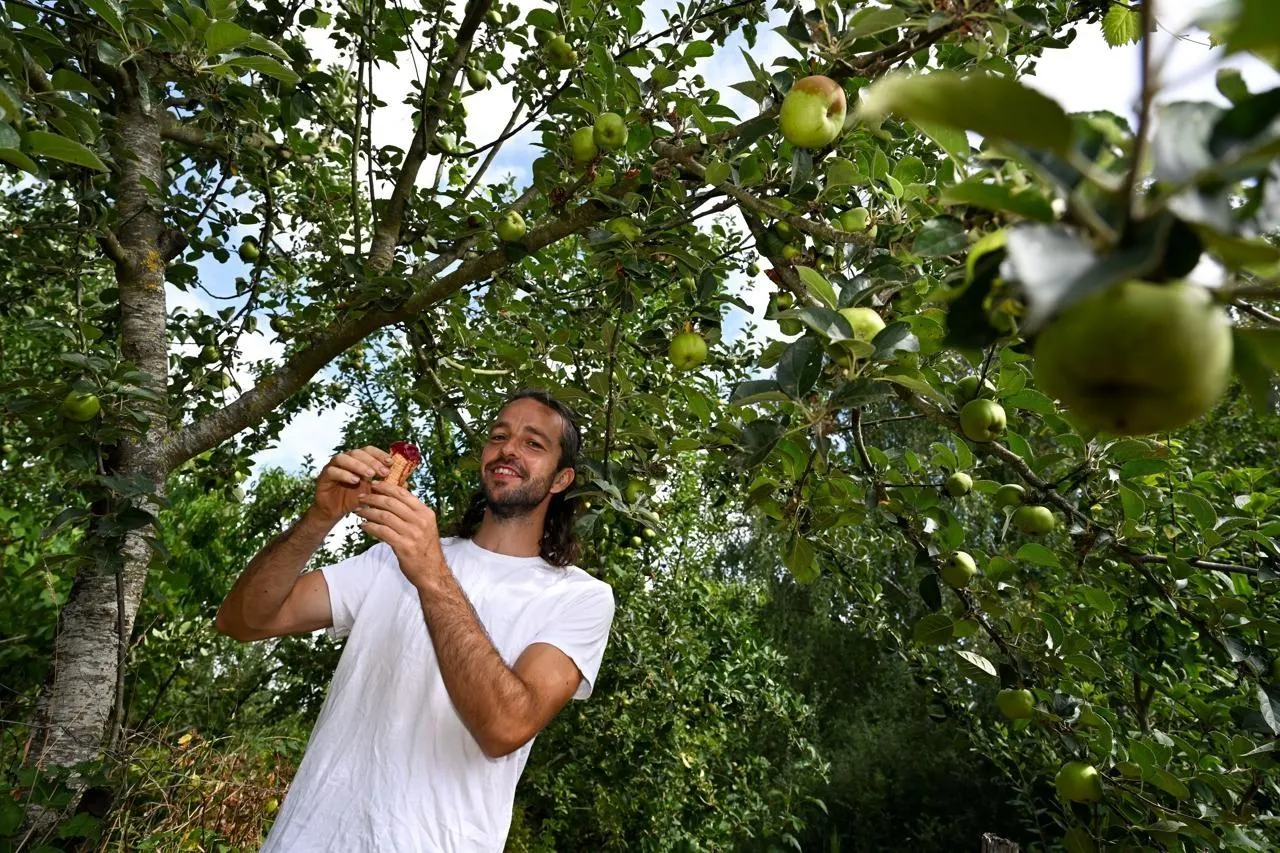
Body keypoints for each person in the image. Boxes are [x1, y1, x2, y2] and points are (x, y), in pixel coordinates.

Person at [215, 389, 615, 852]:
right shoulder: (391, 560)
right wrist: (319, 518)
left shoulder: (578, 597)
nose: (508, 449)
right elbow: (242, 622)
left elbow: (506, 726)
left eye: (533, 443)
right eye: (498, 435)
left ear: (562, 479)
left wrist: (430, 573)